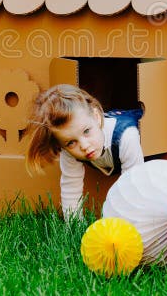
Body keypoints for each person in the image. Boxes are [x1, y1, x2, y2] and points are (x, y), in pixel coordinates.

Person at [25, 84, 144, 220]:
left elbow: (133, 186)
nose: (84, 146)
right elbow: (71, 188)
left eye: (86, 131)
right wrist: (73, 228)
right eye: (71, 142)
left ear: (97, 117)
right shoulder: (68, 151)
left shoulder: (127, 137)